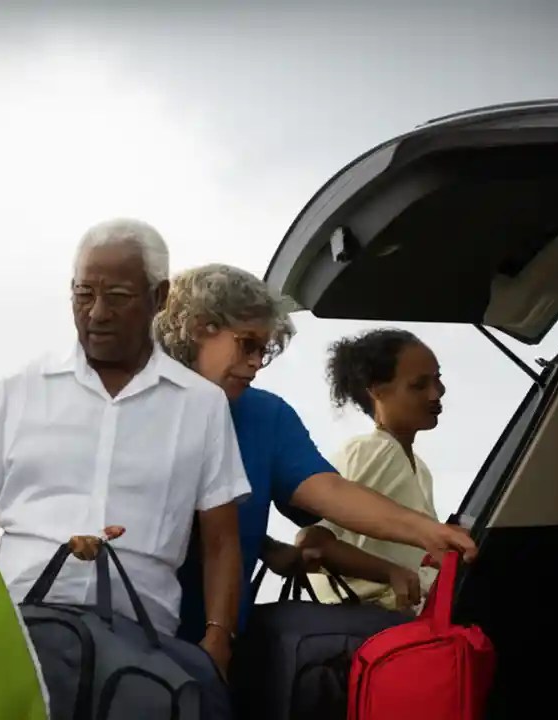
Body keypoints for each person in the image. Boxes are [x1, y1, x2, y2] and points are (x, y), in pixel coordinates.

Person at [0, 219, 252, 685]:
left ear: (158, 298)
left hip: (141, 645)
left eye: (117, 296)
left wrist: (218, 639)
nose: (96, 313)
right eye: (83, 294)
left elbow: (220, 541)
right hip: (14, 631)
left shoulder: (201, 405)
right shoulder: (19, 390)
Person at [149, 264, 477, 644]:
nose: (257, 361)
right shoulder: (127, 408)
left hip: (216, 649)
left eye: (265, 350)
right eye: (248, 344)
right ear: (199, 328)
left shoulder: (266, 416)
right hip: (121, 637)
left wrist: (427, 532)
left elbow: (329, 491)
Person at [307, 328, 448, 610]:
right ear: (377, 391)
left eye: (438, 379)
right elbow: (313, 543)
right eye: (420, 385)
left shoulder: (420, 468)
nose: (437, 392)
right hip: (371, 628)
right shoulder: (370, 452)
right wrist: (390, 573)